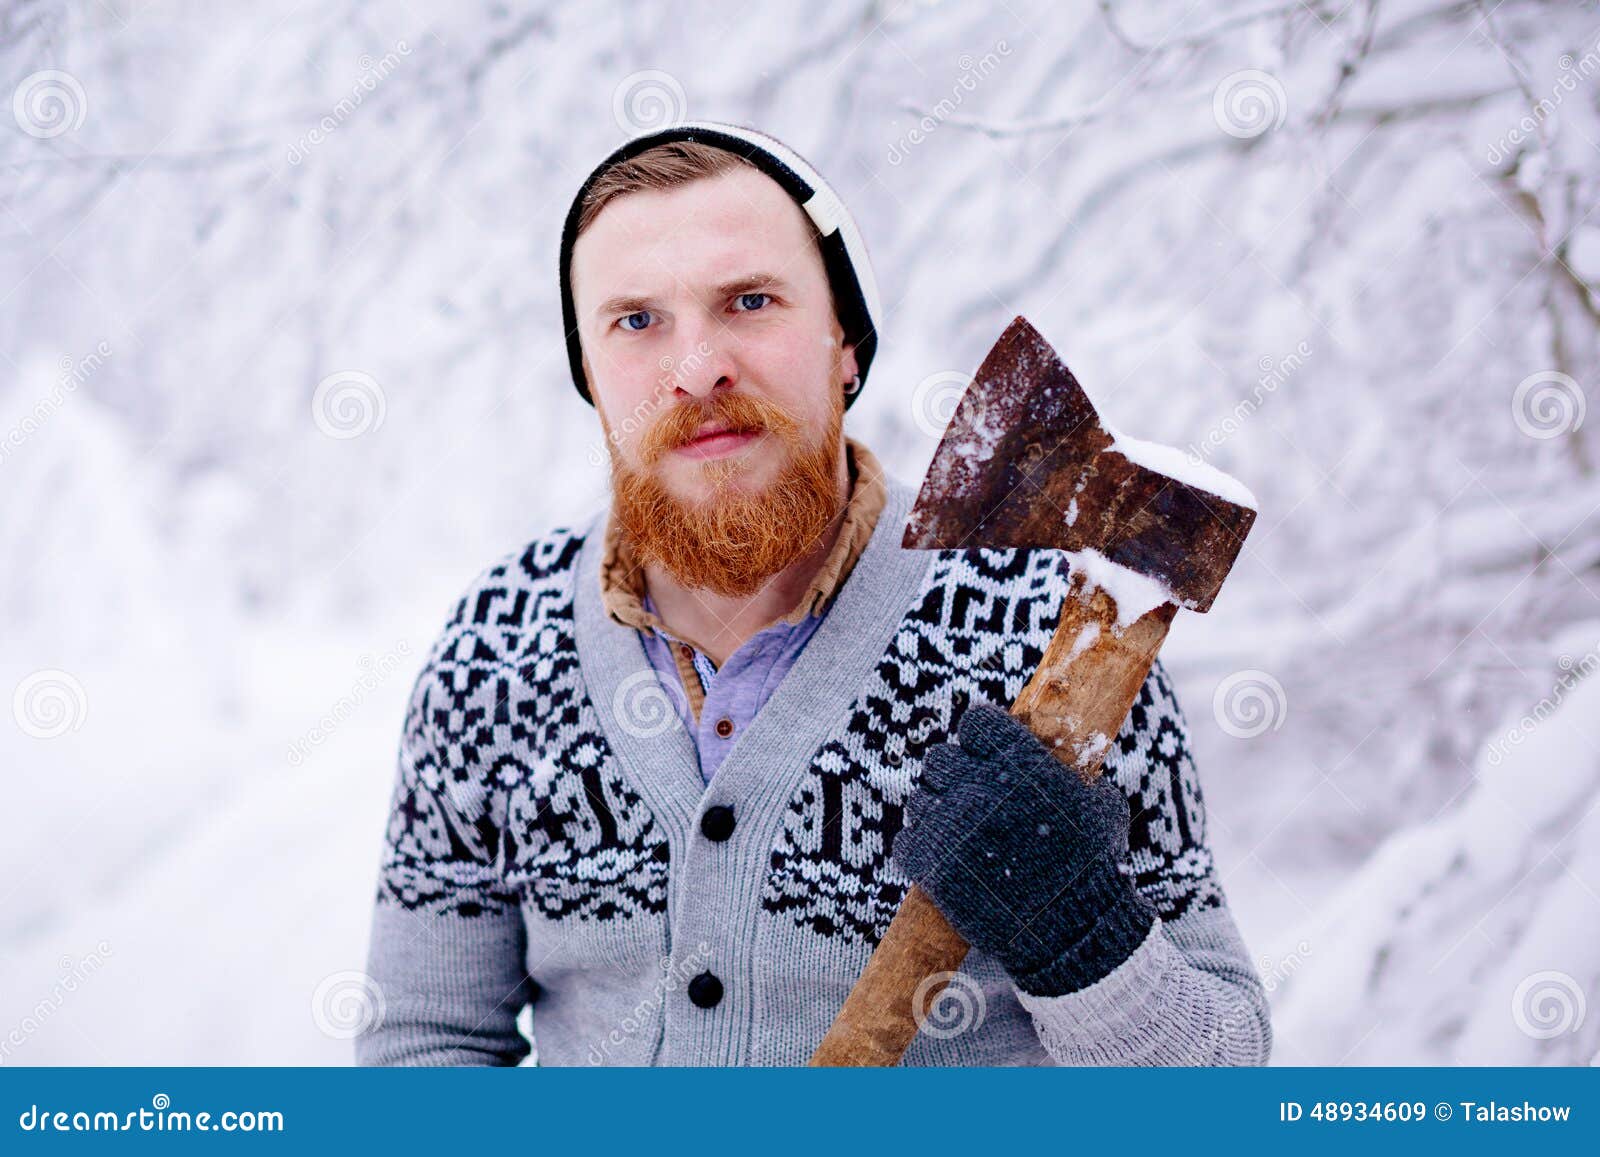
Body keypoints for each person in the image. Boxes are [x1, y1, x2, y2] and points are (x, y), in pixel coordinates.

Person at [355, 121, 1271, 1066]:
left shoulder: (1051, 630)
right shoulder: (498, 646)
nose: (698, 369)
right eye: (636, 321)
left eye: (750, 301)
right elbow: (424, 1045)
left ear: (845, 343)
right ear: (589, 372)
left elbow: (1221, 1080)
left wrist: (1077, 931)